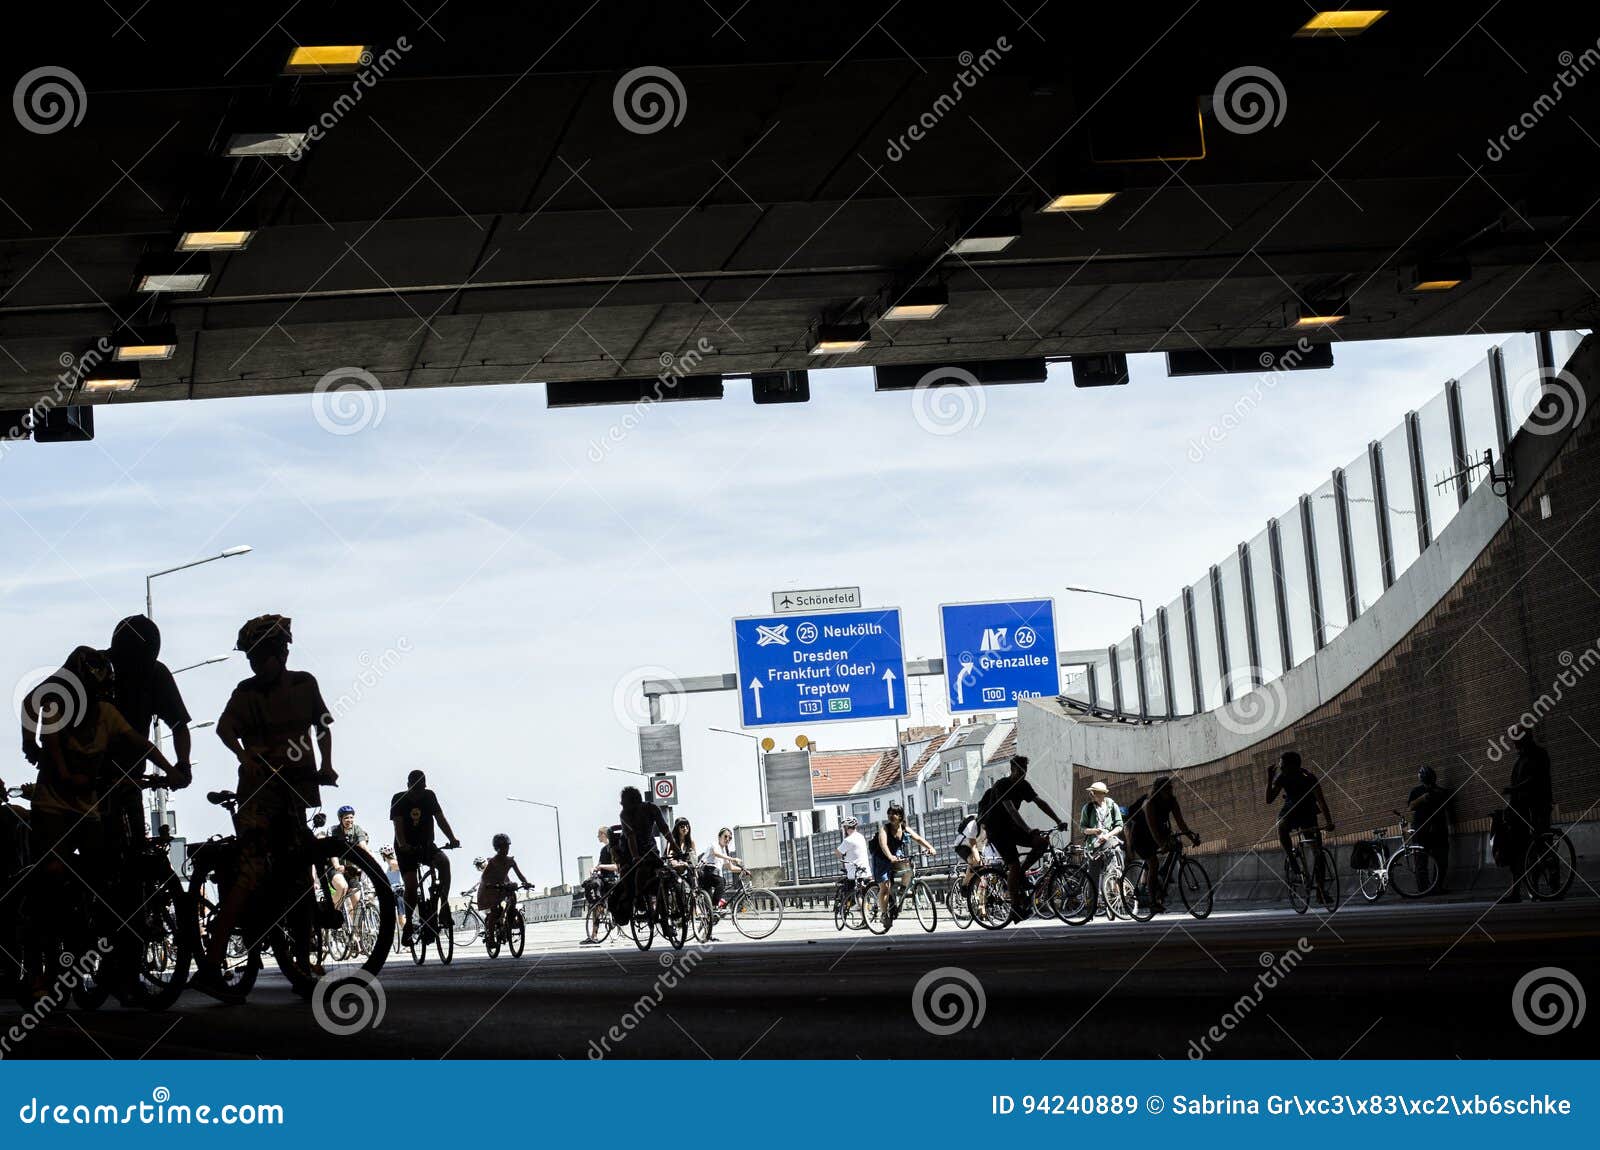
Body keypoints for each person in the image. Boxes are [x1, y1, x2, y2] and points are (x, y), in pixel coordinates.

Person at [20, 646, 180, 997]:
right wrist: (51, 762)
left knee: (107, 876)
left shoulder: (107, 714)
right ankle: (40, 971)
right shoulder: (55, 707)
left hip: (87, 807)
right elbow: (54, 751)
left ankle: (101, 947)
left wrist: (173, 770)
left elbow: (140, 744)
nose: (94, 705)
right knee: (52, 876)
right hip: (54, 805)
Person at [202, 615, 335, 998]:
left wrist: (326, 764)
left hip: (297, 789)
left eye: (262, 657)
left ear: (282, 652)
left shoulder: (304, 684)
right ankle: (211, 963)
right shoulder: (246, 692)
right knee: (251, 872)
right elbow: (224, 728)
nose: (256, 666)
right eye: (252, 659)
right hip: (259, 795)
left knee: (301, 873)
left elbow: (323, 724)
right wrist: (243, 756)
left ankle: (303, 959)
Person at [977, 755, 1066, 918]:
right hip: (997, 831)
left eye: (1025, 771)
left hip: (1012, 828)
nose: (1023, 774)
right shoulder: (1002, 785)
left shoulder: (1024, 785)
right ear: (1013, 770)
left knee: (1042, 843)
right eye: (1020, 771)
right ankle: (1015, 907)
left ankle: (1021, 875)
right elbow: (1011, 810)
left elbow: (1040, 803)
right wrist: (1028, 829)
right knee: (1014, 865)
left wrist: (1058, 820)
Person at [390, 770, 461, 946]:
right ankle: (407, 926)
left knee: (444, 863)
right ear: (408, 786)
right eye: (415, 789)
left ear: (425, 787)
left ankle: (443, 905)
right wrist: (404, 845)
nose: (418, 793)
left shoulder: (429, 796)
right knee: (412, 886)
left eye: (421, 789)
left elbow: (440, 819)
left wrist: (452, 838)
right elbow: (398, 826)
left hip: (426, 846)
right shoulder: (398, 799)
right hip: (405, 848)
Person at [1126, 776, 1199, 914]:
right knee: (1153, 863)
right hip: (1141, 834)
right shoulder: (1150, 803)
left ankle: (1164, 874)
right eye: (1166, 789)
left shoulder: (1172, 801)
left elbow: (1181, 823)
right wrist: (1162, 844)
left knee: (1177, 844)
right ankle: (1153, 902)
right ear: (1159, 790)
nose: (1169, 791)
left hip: (1158, 831)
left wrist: (1191, 837)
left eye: (1170, 788)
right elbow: (1152, 828)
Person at [1503, 727, 1553, 902]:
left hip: (1537, 807)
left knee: (1539, 848)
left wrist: (1513, 789)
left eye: (1516, 739)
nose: (1514, 743)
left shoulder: (1539, 754)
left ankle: (1544, 887)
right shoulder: (1521, 756)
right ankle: (1516, 891)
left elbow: (1535, 779)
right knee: (1517, 850)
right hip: (1520, 808)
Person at [1267, 750, 1333, 879]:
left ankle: (1321, 890)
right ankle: (1291, 857)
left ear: (1293, 766)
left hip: (1308, 813)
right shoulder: (1282, 777)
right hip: (1290, 811)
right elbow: (1269, 799)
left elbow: (1321, 801)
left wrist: (1329, 822)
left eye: (1283, 765)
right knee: (1281, 826)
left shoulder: (1309, 778)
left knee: (1318, 853)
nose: (1280, 768)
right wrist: (1270, 779)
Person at [869, 802, 935, 917]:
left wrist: (930, 848)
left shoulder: (905, 828)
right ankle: (884, 915)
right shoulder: (885, 828)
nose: (890, 816)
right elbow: (883, 844)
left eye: (894, 813)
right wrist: (890, 856)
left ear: (900, 816)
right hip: (881, 859)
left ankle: (902, 889)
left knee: (909, 867)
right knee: (885, 887)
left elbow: (918, 839)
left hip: (895, 856)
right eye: (889, 813)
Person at [328, 805, 376, 927]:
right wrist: (337, 865)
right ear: (341, 819)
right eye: (346, 818)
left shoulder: (357, 829)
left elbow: (363, 846)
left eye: (351, 817)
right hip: (335, 869)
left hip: (350, 869)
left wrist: (374, 862)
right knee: (343, 887)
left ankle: (356, 931)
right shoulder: (334, 830)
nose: (349, 820)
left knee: (357, 899)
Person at [477, 834, 532, 935]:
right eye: (503, 847)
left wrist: (526, 882)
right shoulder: (493, 862)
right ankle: (490, 938)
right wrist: (490, 884)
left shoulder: (510, 861)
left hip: (502, 886)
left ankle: (510, 919)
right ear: (497, 848)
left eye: (507, 846)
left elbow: (520, 875)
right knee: (495, 911)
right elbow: (484, 877)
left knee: (512, 896)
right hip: (490, 889)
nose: (506, 849)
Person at [1407, 766, 1450, 889]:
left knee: (1441, 859)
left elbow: (1446, 805)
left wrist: (1437, 795)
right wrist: (1422, 798)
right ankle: (1423, 888)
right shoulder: (1416, 791)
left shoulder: (1441, 791)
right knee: (1421, 860)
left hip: (1439, 829)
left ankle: (1437, 887)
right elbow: (1410, 807)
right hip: (1421, 830)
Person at [582, 824, 620, 945]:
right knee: (597, 904)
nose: (598, 837)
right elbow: (599, 865)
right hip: (602, 880)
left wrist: (601, 866)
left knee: (602, 905)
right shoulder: (603, 850)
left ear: (604, 835)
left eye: (599, 835)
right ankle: (594, 935)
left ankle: (596, 934)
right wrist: (594, 869)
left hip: (611, 880)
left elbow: (616, 867)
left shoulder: (614, 848)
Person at [835, 815, 871, 916]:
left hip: (855, 873)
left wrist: (843, 855)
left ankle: (865, 917)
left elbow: (838, 853)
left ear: (846, 828)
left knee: (858, 895)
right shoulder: (861, 837)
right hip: (866, 870)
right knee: (864, 894)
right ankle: (867, 913)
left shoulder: (848, 840)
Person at [699, 826, 742, 910]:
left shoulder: (724, 851)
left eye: (730, 838)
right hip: (705, 872)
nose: (727, 839)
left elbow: (730, 867)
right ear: (719, 837)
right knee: (721, 882)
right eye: (725, 836)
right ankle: (715, 906)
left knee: (709, 905)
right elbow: (716, 853)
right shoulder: (714, 844)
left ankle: (711, 912)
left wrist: (743, 870)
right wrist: (733, 859)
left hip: (712, 874)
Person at [1078, 780, 1124, 852]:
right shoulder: (1087, 808)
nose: (1091, 794)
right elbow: (1082, 828)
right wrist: (1093, 831)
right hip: (1093, 847)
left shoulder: (1112, 806)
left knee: (1112, 859)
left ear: (1103, 793)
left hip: (1111, 845)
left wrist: (1107, 836)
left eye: (1094, 792)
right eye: (1091, 792)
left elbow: (1119, 826)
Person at [381, 844, 407, 941]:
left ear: (383, 855)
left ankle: (408, 940)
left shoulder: (393, 863)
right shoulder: (390, 865)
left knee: (402, 918)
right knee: (399, 918)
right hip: (393, 893)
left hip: (398, 892)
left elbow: (403, 868)